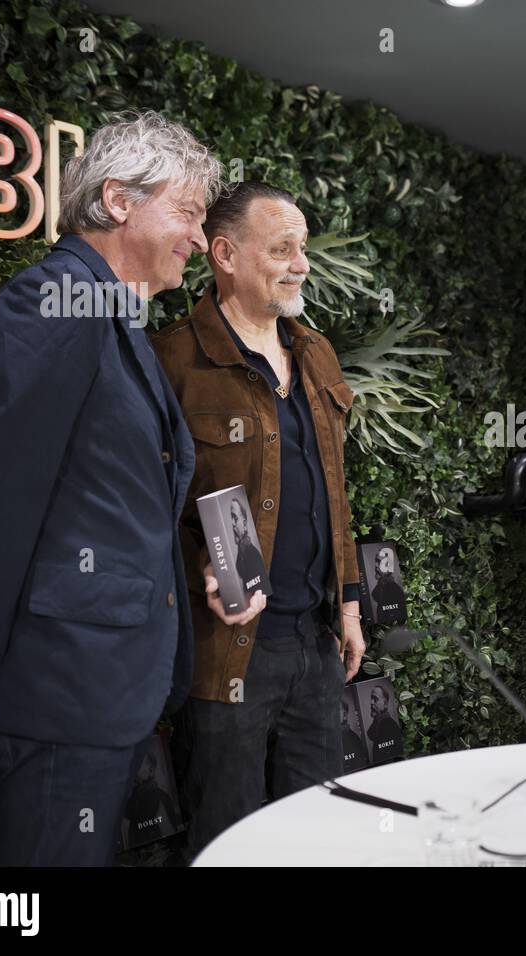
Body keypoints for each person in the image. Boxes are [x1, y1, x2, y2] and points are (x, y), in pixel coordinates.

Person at [0, 112, 224, 866]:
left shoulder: (114, 318)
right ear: (119, 201)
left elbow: (116, 507)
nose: (197, 238)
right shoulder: (54, 304)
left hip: (107, 690)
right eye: (186, 212)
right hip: (59, 695)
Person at [152, 182, 365, 858]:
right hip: (226, 654)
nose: (300, 263)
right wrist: (203, 569)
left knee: (313, 838)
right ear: (224, 254)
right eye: (281, 249)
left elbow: (337, 491)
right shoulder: (171, 362)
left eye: (301, 248)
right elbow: (145, 514)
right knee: (229, 842)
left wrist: (352, 607)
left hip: (316, 643)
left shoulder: (316, 352)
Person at [229, 497, 267, 597]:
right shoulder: (242, 550)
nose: (232, 523)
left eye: (235, 518)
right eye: (231, 518)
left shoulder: (252, 555)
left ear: (245, 524)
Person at [365, 684, 402, 761]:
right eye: (371, 698)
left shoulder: (391, 726)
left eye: (375, 699)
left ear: (385, 703)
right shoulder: (377, 722)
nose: (371, 702)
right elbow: (371, 735)